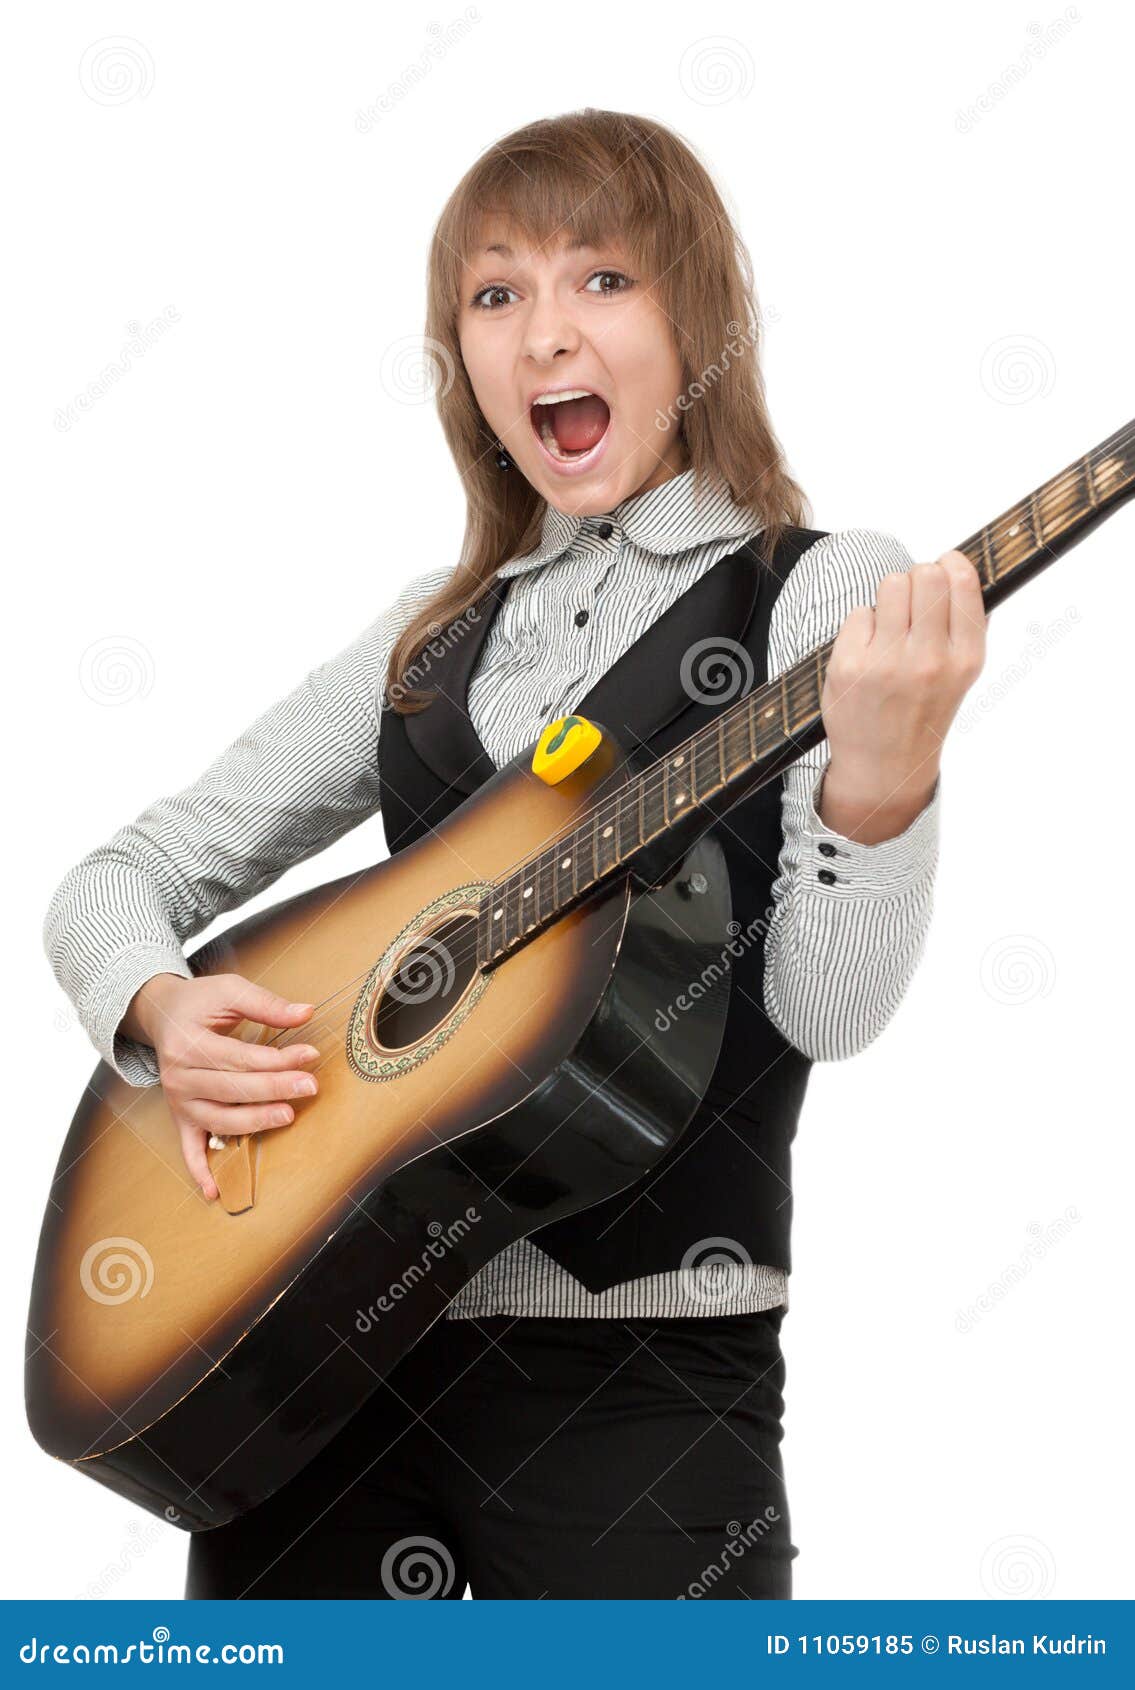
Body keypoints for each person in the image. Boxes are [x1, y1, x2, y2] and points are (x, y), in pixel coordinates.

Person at [43, 108, 986, 1600]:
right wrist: (158, 1018)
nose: (546, 332)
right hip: (324, 1372)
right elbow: (117, 883)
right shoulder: (430, 632)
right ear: (463, 364)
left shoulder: (821, 593)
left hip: (649, 1379)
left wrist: (883, 791)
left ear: (700, 323)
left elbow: (829, 1012)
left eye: (602, 279)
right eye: (496, 294)